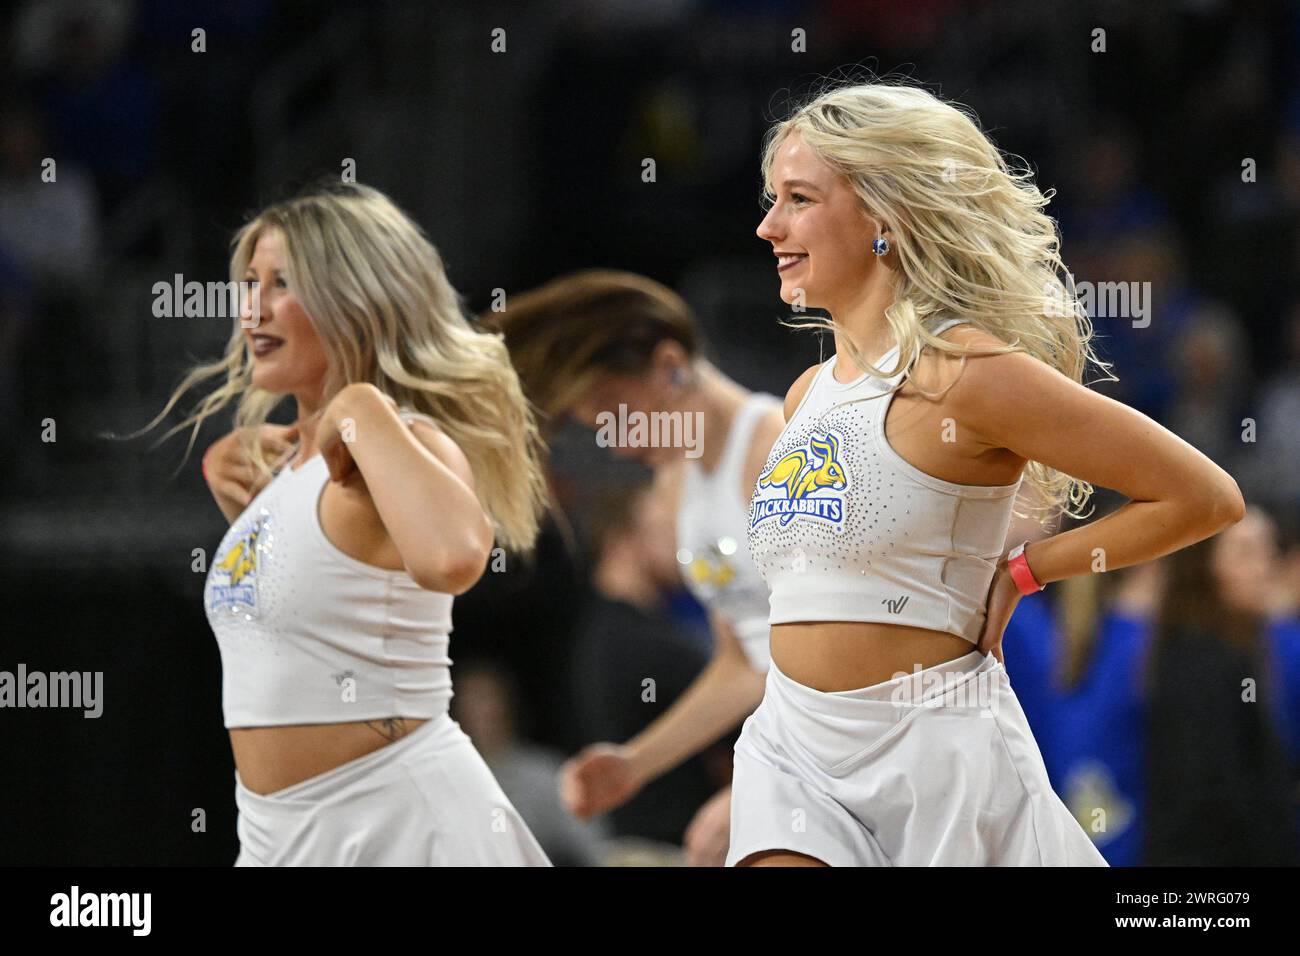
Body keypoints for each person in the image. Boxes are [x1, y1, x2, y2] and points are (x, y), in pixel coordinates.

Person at [732, 79, 1245, 867]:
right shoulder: (807, 392)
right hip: (791, 744)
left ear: (883, 217)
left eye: (799, 198)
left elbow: (1204, 496)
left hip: (934, 750)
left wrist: (1030, 568)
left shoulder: (965, 371)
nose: (769, 226)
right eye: (774, 199)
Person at [133, 182, 552, 865]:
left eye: (282, 284)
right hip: (278, 836)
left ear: (355, 296)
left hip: (402, 824)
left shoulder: (406, 437)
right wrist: (244, 496)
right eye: (249, 284)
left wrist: (359, 405)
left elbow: (454, 557)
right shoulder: (296, 467)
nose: (252, 308)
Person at [484, 270, 783, 864]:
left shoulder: (778, 447)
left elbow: (841, 651)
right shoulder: (679, 481)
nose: (614, 444)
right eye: (594, 423)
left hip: (854, 742)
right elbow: (743, 663)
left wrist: (764, 783)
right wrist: (637, 763)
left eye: (613, 412)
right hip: (800, 749)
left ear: (671, 364)